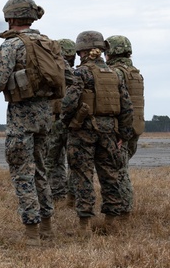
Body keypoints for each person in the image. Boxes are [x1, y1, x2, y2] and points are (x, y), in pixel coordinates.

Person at [0, 0, 63, 245]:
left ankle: (32, 234)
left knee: (22, 173)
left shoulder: (11, 46)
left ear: (10, 17)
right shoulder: (49, 44)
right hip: (45, 117)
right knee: (41, 171)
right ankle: (48, 228)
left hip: (21, 117)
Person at [60, 30, 134, 236]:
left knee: (83, 177)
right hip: (109, 132)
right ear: (102, 50)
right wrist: (123, 134)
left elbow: (68, 103)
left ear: (80, 51)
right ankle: (111, 222)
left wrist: (67, 123)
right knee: (110, 175)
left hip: (83, 131)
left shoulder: (80, 73)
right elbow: (127, 106)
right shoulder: (114, 74)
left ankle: (85, 226)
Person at [106, 35, 144, 214]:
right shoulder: (135, 73)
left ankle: (123, 210)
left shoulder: (116, 73)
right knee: (122, 167)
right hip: (134, 126)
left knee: (119, 171)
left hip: (121, 129)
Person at [44, 38, 77, 215]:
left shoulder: (54, 72)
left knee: (51, 160)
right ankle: (69, 194)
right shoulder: (77, 74)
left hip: (56, 121)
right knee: (72, 161)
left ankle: (54, 193)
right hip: (71, 122)